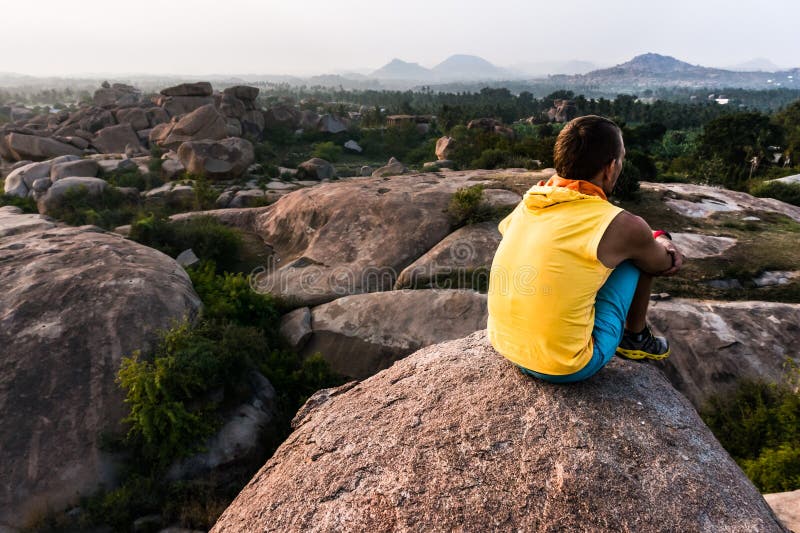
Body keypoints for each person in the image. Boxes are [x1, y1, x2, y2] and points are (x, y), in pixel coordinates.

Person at [487, 115, 684, 383]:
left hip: (505, 345)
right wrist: (659, 239)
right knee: (637, 257)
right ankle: (635, 337)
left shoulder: (530, 201)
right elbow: (661, 263)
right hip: (566, 365)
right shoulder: (621, 224)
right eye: (621, 159)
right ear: (611, 168)